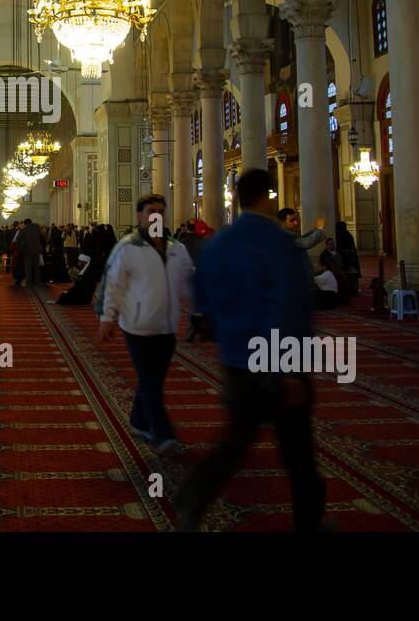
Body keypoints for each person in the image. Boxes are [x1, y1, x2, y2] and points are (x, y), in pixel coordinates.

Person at [174, 168, 326, 532]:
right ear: (267, 197)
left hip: (236, 360)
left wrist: (223, 326)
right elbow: (291, 304)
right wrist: (289, 370)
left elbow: (200, 293)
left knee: (234, 443)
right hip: (276, 360)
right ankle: (310, 523)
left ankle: (194, 494)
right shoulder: (279, 242)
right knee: (298, 454)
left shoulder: (220, 243)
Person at [97, 194, 195, 456]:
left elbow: (189, 283)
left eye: (161, 211)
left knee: (152, 379)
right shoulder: (127, 248)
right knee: (151, 380)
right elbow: (113, 285)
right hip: (137, 326)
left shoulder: (177, 249)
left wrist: (200, 311)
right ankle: (163, 435)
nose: (156, 216)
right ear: (139, 216)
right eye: (151, 211)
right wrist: (107, 317)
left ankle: (139, 420)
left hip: (167, 327)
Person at [18, 218, 43, 287]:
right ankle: (37, 282)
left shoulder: (24, 229)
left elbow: (19, 238)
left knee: (28, 267)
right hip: (37, 250)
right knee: (36, 267)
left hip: (28, 250)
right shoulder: (37, 227)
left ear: (25, 223)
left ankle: (29, 282)